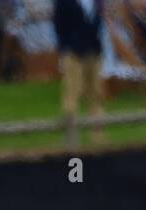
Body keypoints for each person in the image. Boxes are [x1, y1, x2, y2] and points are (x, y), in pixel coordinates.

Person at [53, 0, 104, 141]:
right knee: (72, 91)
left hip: (93, 49)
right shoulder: (63, 2)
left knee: (95, 92)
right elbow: (58, 24)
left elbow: (97, 20)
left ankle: (97, 135)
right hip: (73, 52)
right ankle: (71, 136)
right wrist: (66, 47)